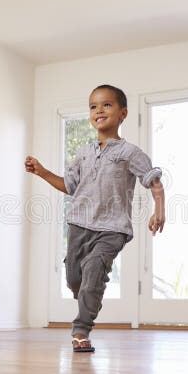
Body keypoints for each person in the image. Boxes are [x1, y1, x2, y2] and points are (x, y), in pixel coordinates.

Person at [25, 84, 166, 352]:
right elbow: (70, 186)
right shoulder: (83, 152)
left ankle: (81, 330)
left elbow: (154, 182)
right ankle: (91, 292)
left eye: (106, 105)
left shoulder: (129, 152)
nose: (99, 110)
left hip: (112, 228)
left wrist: (159, 210)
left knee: (92, 273)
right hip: (79, 224)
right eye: (93, 106)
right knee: (74, 280)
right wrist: (42, 172)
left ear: (123, 113)